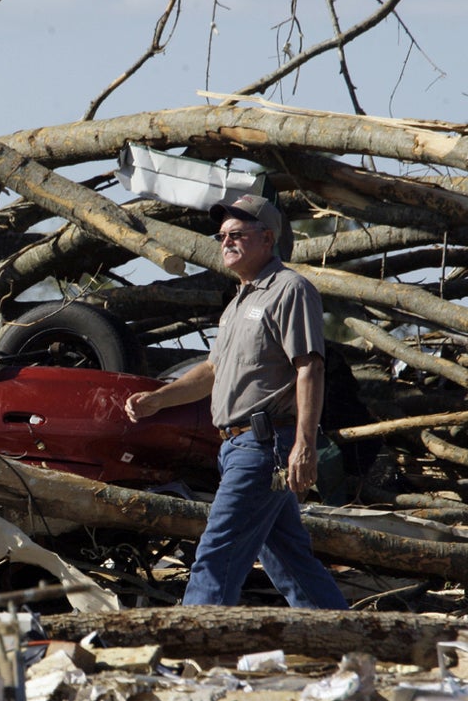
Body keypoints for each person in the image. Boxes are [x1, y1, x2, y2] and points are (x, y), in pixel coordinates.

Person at [124, 194, 348, 609]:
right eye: (222, 234)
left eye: (237, 234)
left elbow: (309, 369)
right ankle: (349, 641)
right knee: (288, 560)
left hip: (264, 447)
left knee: (216, 552)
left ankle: (194, 642)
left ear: (267, 238)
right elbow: (211, 372)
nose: (225, 241)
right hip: (236, 447)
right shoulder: (236, 304)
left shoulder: (290, 290)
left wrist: (304, 444)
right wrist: (159, 399)